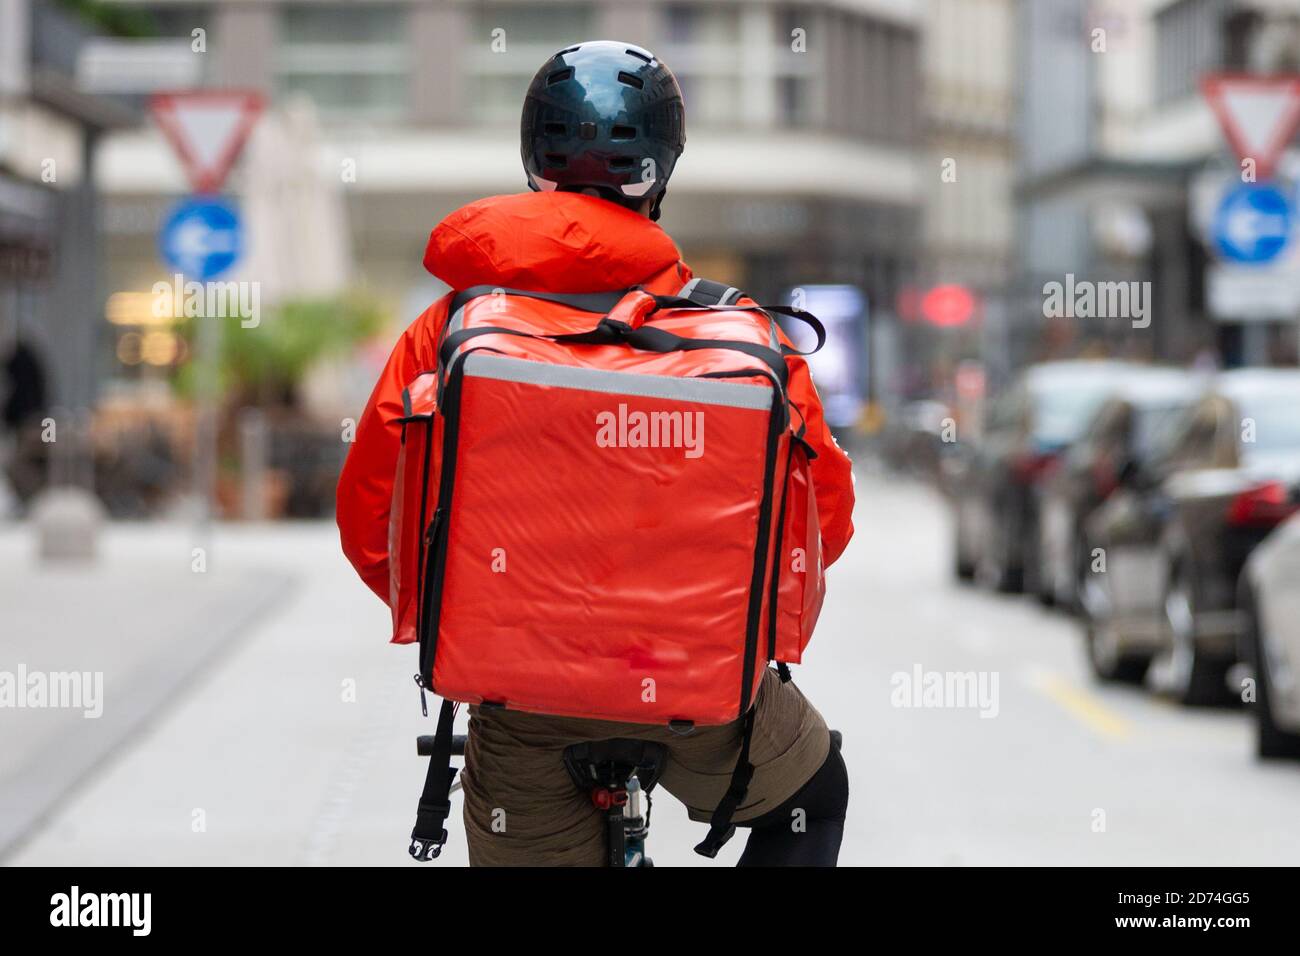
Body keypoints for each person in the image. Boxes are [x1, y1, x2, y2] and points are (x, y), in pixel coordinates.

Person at [338, 41, 856, 866]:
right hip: (703, 696)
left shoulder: (449, 331)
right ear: (661, 168)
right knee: (814, 797)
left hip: (520, 703)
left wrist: (472, 619)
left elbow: (372, 521)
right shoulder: (745, 336)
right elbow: (823, 522)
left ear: (533, 159)